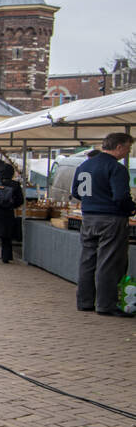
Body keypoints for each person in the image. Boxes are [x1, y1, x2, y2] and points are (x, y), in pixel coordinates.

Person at [72, 132, 135, 316]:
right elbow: (121, 196)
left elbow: (76, 191)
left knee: (87, 260)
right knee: (108, 262)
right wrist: (131, 208)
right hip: (111, 218)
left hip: (89, 217)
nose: (128, 153)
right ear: (119, 147)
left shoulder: (84, 165)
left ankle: (84, 301)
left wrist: (92, 201)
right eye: (128, 149)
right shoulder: (116, 168)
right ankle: (106, 304)